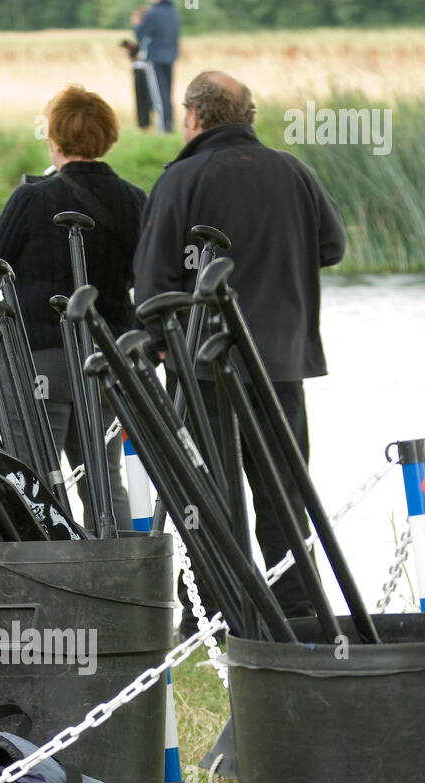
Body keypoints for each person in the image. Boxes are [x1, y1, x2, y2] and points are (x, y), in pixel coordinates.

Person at [133, 70, 347, 620]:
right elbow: (332, 246)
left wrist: (157, 345)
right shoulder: (293, 171)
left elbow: (153, 276)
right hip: (282, 363)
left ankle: (220, 612)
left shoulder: (182, 179)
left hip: (203, 367)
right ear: (247, 116)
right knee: (284, 494)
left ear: (193, 117)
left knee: (212, 496)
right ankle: (297, 612)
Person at [0, 86, 146, 533]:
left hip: (40, 358)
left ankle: (51, 578)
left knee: (37, 480)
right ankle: (121, 575)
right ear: (109, 137)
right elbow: (149, 278)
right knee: (105, 482)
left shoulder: (33, 199)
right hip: (109, 357)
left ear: (53, 139)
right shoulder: (135, 200)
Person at [133, 0, 180, 134]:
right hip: (170, 57)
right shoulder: (173, 12)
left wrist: (136, 24)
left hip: (154, 58)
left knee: (158, 96)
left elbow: (139, 33)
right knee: (167, 93)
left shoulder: (152, 13)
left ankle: (163, 129)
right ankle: (169, 125)